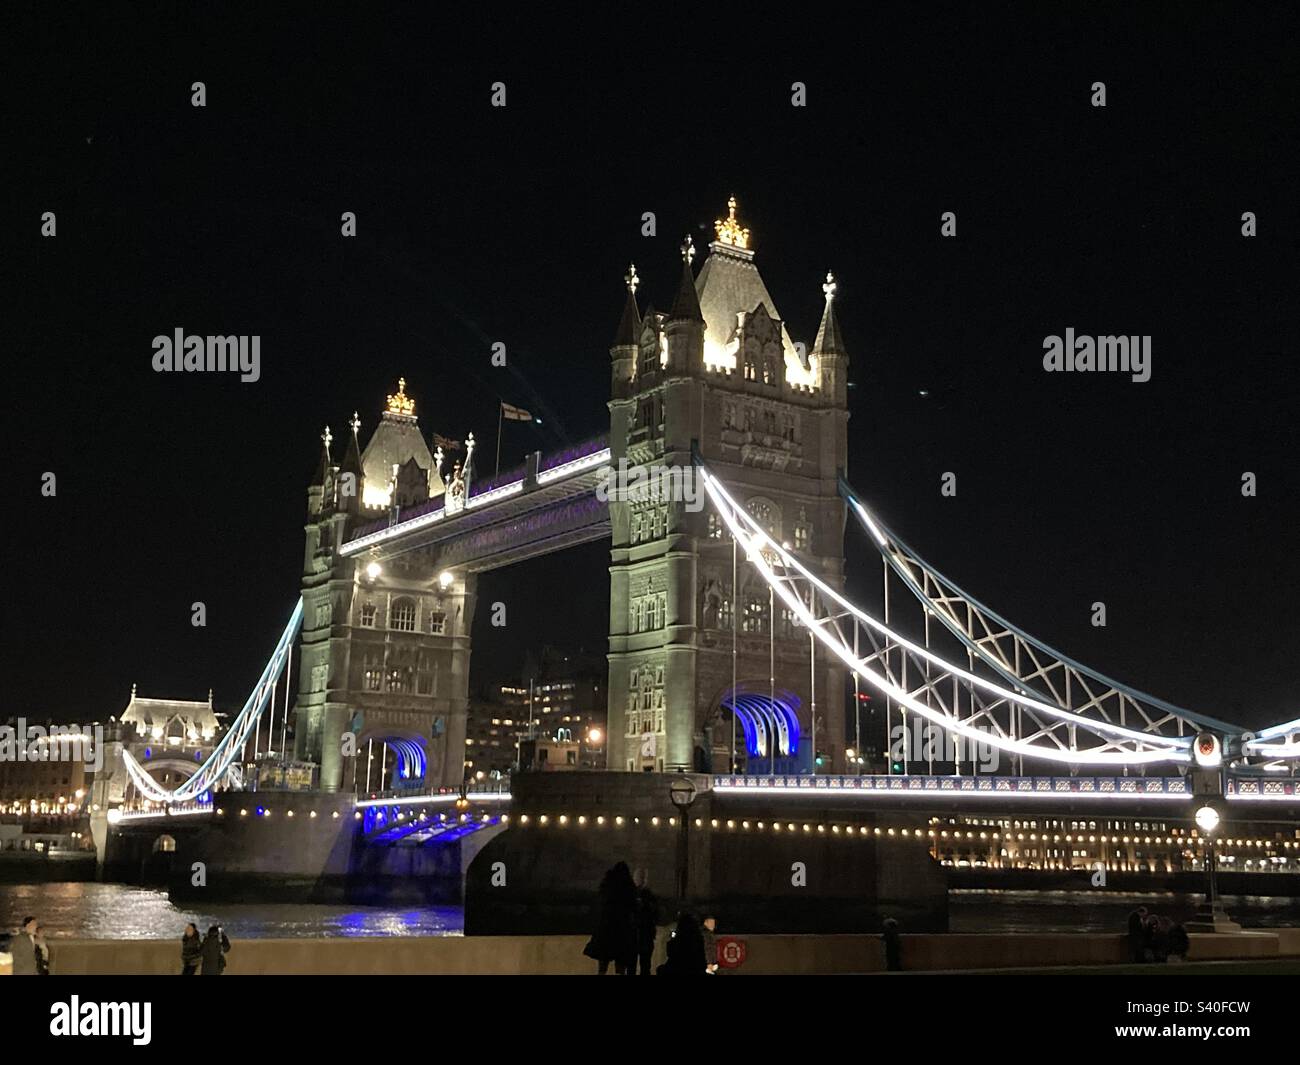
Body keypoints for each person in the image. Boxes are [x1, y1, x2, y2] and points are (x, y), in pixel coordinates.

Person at [583, 862, 637, 975]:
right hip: (622, 930)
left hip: (606, 929)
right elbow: (633, 907)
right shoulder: (628, 888)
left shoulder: (607, 887)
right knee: (621, 965)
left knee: (603, 965)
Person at [633, 870, 659, 976]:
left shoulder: (635, 895)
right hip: (643, 934)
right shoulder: (648, 897)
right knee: (644, 964)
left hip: (641, 934)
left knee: (641, 964)